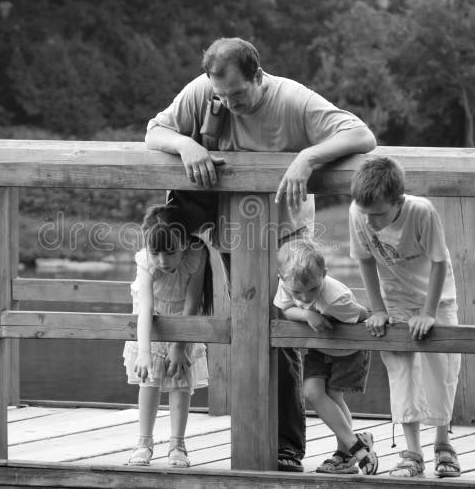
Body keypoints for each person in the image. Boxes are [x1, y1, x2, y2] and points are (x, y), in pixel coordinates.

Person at [145, 36, 376, 472]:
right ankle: (270, 440)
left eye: (237, 93)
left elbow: (361, 134)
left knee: (282, 338)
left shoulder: (291, 99)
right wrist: (186, 145)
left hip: (286, 235)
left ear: (258, 76)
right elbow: (154, 131)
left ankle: (286, 449)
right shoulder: (203, 92)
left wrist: (307, 157)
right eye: (221, 95)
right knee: (252, 330)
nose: (228, 103)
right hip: (235, 235)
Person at [348, 156, 462, 478]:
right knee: (402, 368)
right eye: (366, 214)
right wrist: (379, 310)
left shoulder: (421, 212)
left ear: (398, 201)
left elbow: (439, 263)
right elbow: (365, 261)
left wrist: (428, 313)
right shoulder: (360, 212)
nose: (370, 222)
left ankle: (443, 444)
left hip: (436, 297)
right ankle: (412, 452)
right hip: (395, 298)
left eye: (378, 215)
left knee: (442, 370)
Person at [273, 238, 378, 475]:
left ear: (324, 274)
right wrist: (307, 315)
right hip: (319, 349)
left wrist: (333, 317)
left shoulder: (336, 298)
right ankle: (355, 445)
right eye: (297, 291)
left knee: (333, 396)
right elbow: (287, 309)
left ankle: (344, 454)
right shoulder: (286, 284)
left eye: (313, 289)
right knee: (311, 392)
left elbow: (361, 315)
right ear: (282, 280)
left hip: (347, 352)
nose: (305, 297)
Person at [122, 204, 210, 468]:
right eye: (156, 252)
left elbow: (192, 303)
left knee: (180, 379)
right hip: (152, 323)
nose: (162, 259)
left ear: (184, 243)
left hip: (184, 321)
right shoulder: (146, 261)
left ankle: (177, 444)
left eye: (170, 252)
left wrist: (179, 346)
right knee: (149, 381)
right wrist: (145, 351)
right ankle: (144, 443)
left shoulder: (197, 254)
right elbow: (146, 308)